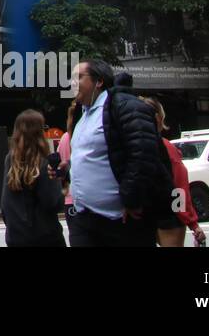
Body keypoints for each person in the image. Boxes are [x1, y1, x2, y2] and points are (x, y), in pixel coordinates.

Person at [67, 59, 173, 246]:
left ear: (98, 81)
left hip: (120, 221)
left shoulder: (125, 106)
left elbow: (143, 154)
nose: (72, 82)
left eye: (78, 77)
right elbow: (89, 157)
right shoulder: (82, 115)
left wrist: (132, 198)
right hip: (85, 219)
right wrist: (65, 169)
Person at [141, 96, 205, 247]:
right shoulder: (167, 148)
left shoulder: (131, 148)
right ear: (158, 118)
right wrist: (192, 223)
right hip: (168, 215)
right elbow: (180, 188)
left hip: (139, 214)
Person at [1, 110, 66, 247]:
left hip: (16, 237)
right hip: (46, 237)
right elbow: (52, 202)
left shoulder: (11, 160)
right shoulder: (44, 162)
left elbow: (5, 203)